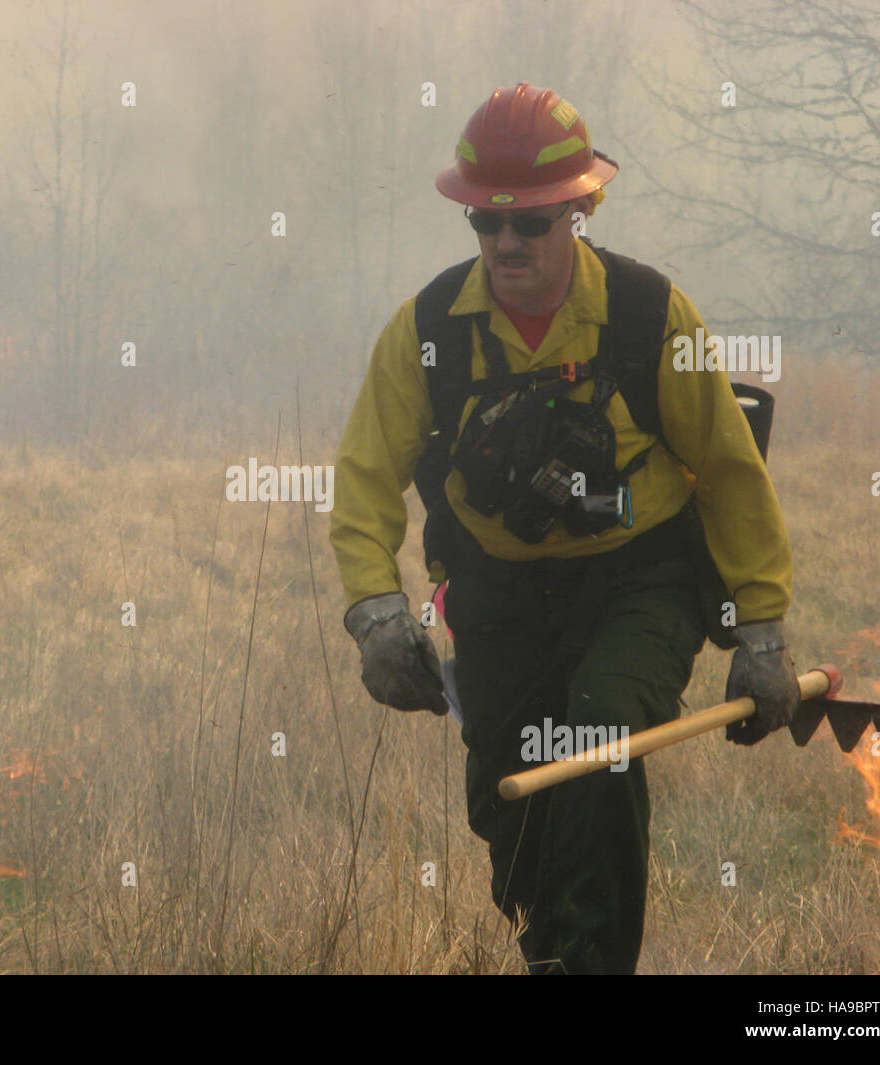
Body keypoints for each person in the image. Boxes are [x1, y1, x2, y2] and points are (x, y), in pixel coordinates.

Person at [329, 82, 799, 974]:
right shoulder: (427, 330)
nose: (506, 242)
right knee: (511, 792)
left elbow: (733, 474)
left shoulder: (649, 315)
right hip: (499, 591)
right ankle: (551, 946)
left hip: (641, 581)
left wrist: (763, 626)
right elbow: (361, 480)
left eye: (532, 223)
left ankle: (590, 961)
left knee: (598, 735)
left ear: (581, 208)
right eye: (485, 223)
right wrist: (376, 614)